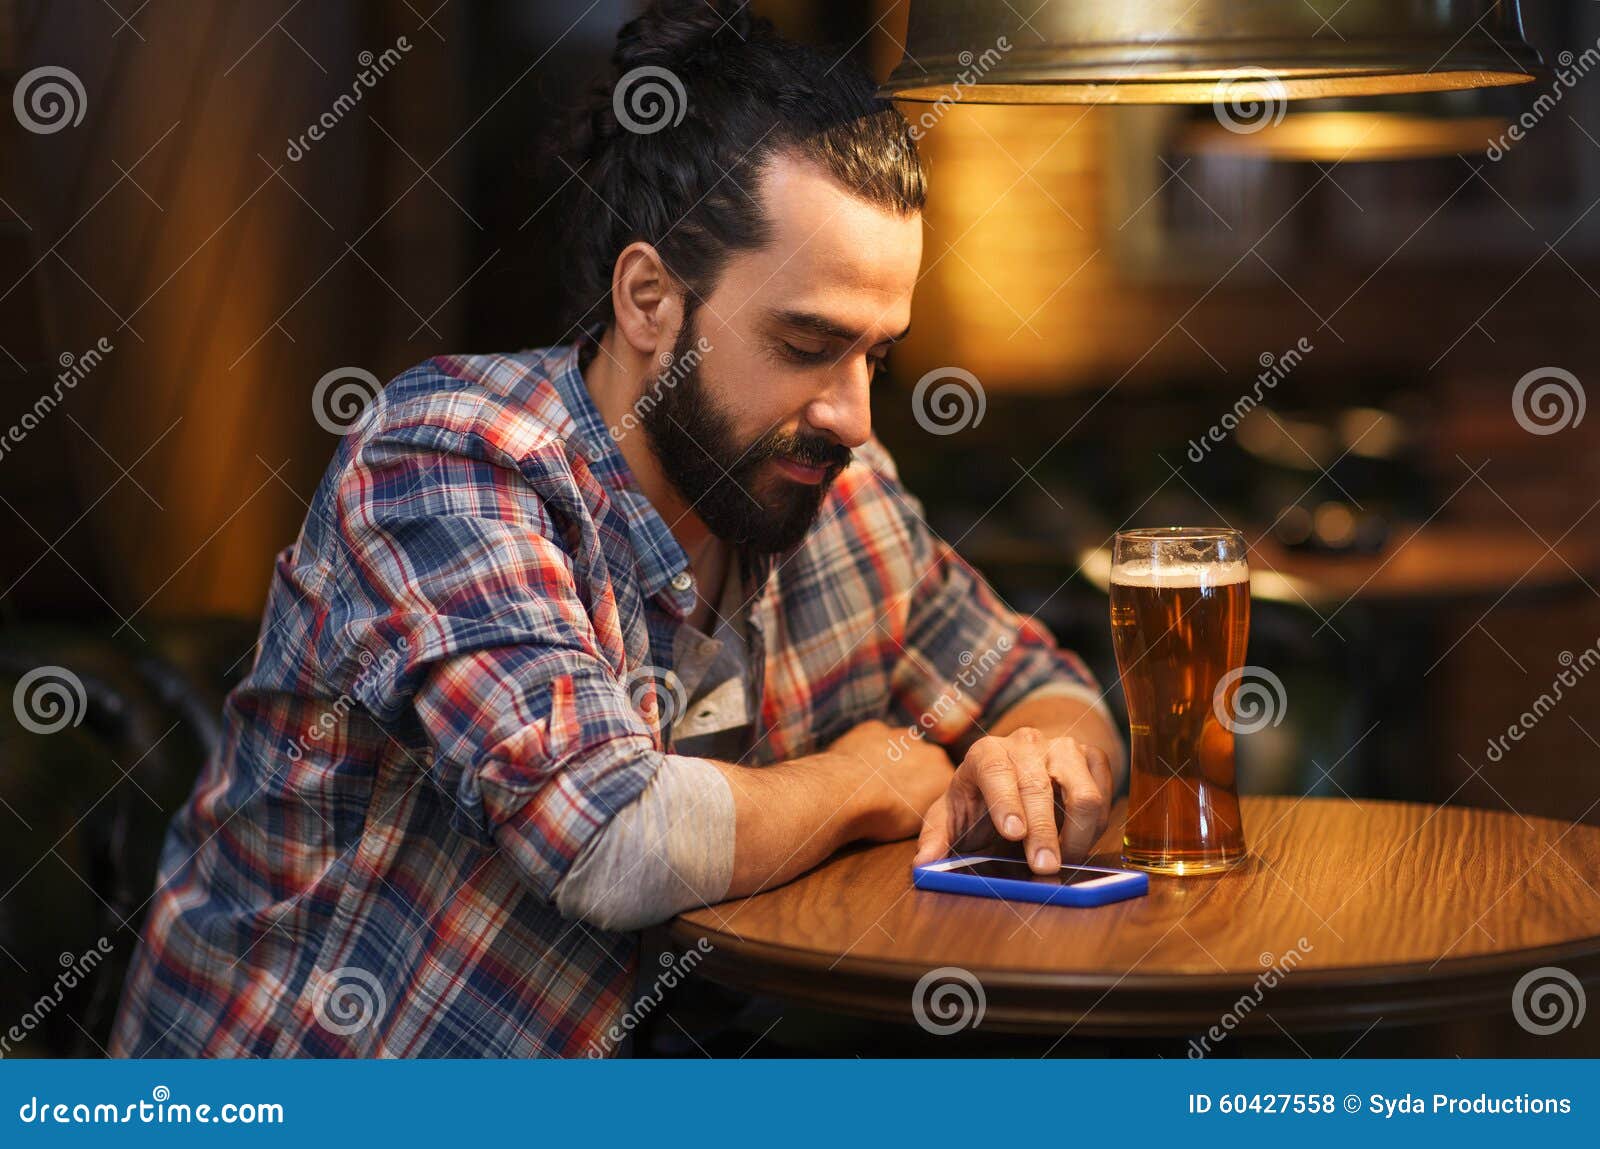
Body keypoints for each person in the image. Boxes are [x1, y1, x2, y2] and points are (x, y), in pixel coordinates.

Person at [111, 0, 1124, 1059]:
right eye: (805, 343)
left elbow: (1040, 686)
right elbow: (610, 838)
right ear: (648, 300)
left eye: (876, 355)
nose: (855, 415)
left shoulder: (840, 491)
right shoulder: (452, 457)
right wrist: (878, 774)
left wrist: (1041, 766)